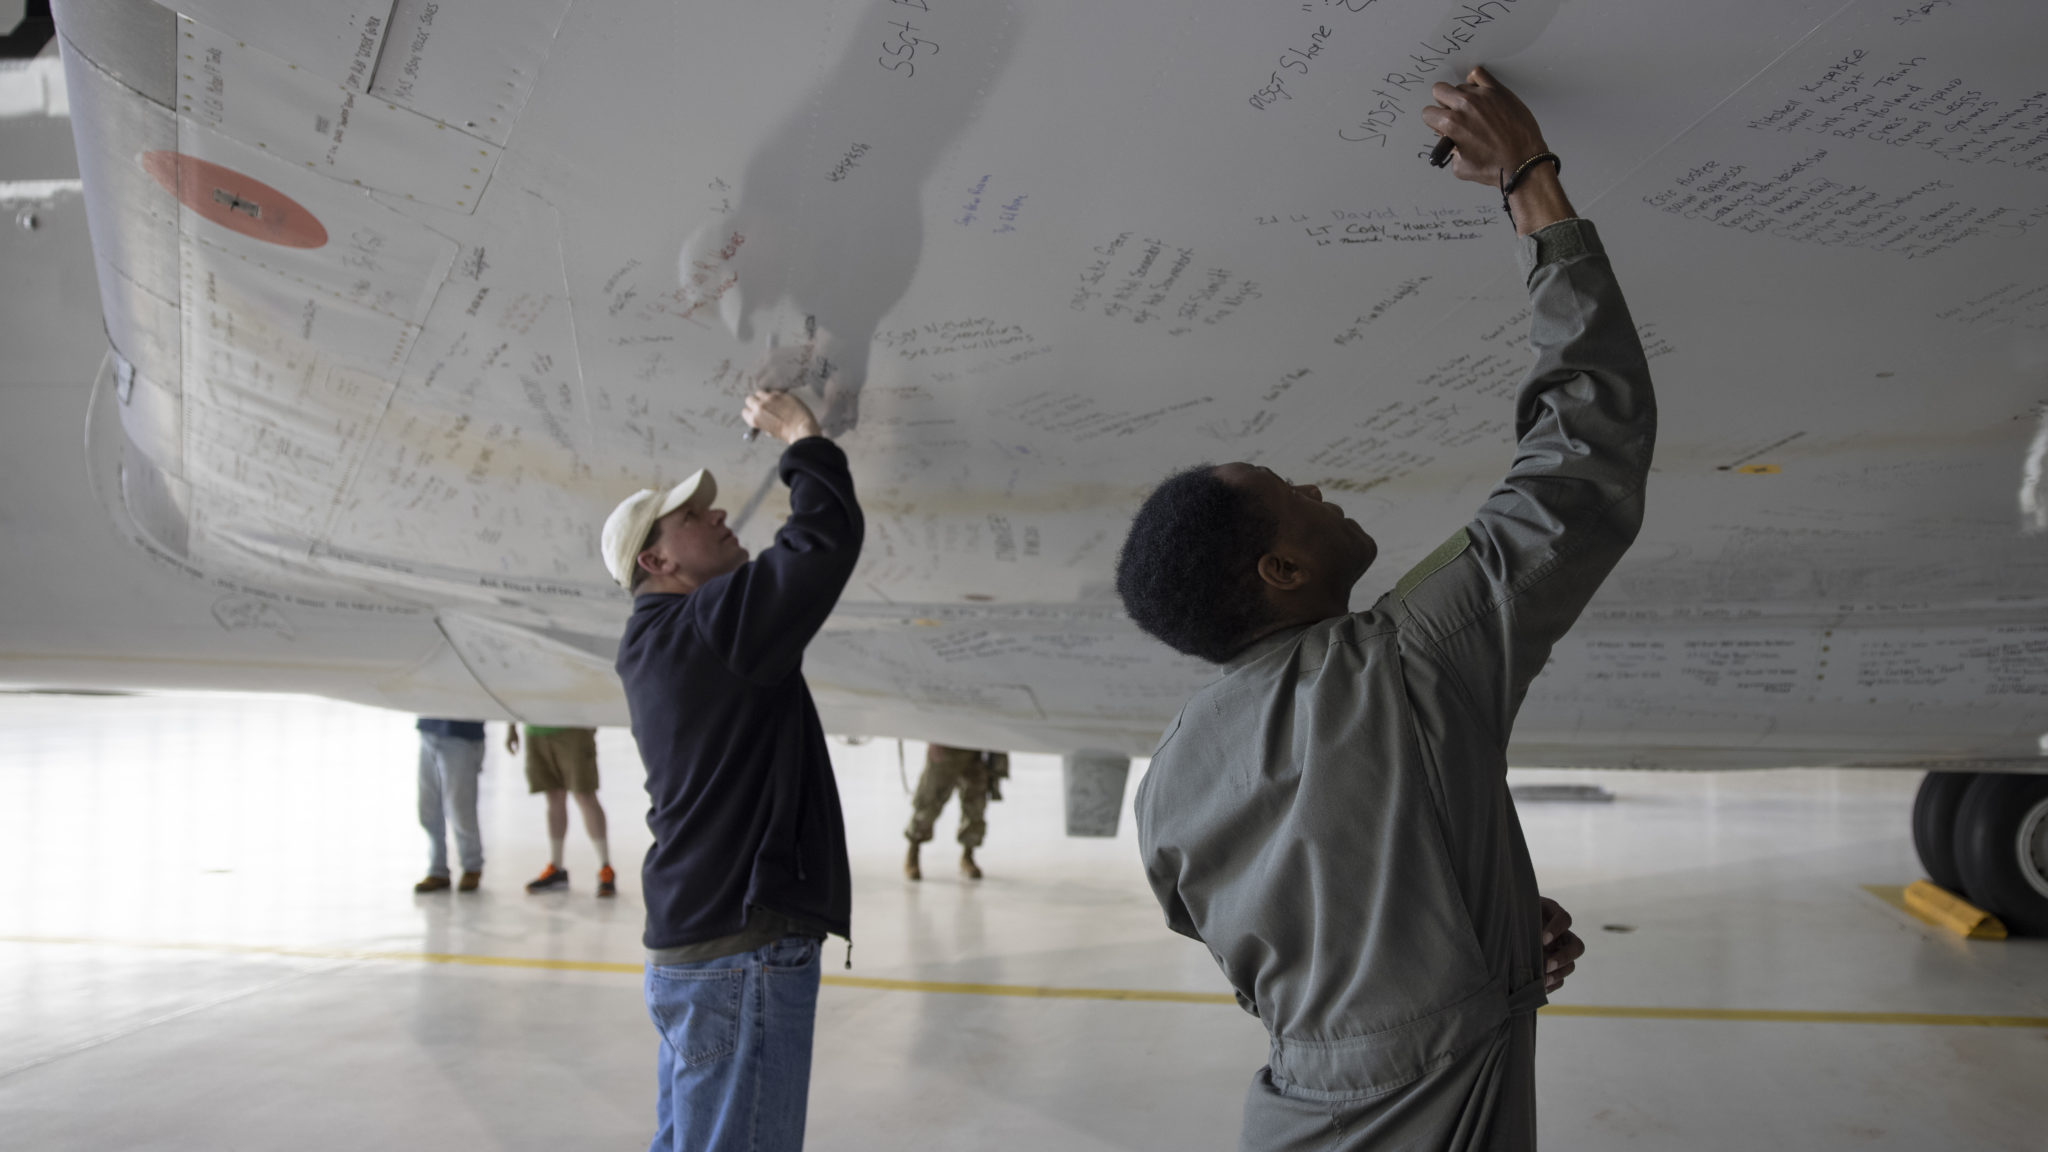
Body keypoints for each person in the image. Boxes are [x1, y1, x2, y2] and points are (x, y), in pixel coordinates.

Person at [1117, 68, 1652, 1151]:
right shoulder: (1405, 664)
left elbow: (1283, 941)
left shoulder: (1171, 779)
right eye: (1291, 498)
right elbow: (1579, 456)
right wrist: (1528, 182)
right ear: (1277, 573)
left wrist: (1470, 928)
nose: (1318, 491)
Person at [606, 385, 862, 1152]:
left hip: (697, 953)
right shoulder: (705, 627)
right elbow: (818, 548)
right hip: (739, 951)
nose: (719, 516)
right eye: (692, 516)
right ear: (656, 559)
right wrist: (802, 439)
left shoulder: (654, 641)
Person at [507, 725, 617, 897]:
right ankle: (556, 866)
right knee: (553, 796)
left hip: (571, 726)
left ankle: (605, 866)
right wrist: (511, 726)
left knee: (584, 794)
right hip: (534, 728)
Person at [903, 744, 1009, 881]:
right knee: (929, 802)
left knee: (975, 805)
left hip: (978, 748)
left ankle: (968, 856)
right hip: (947, 744)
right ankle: (913, 852)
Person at [413, 718, 487, 893]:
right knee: (428, 809)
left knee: (460, 810)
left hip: (462, 735)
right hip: (428, 729)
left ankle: (472, 867)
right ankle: (437, 869)